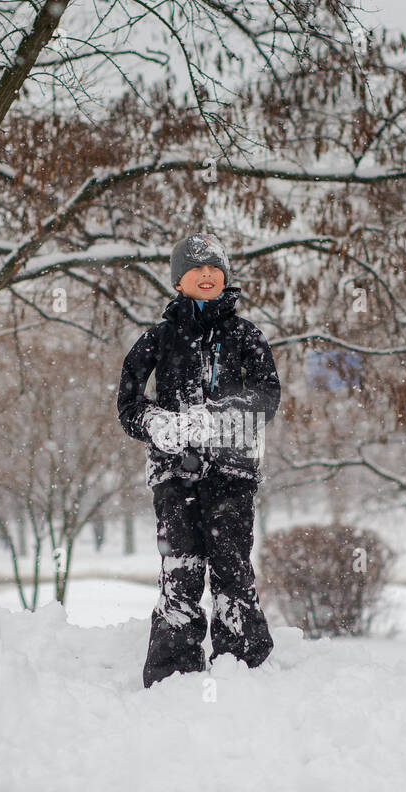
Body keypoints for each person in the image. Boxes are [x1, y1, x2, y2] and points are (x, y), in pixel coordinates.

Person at [117, 235, 281, 688]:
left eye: (215, 268)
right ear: (178, 281)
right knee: (181, 569)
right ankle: (174, 672)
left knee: (232, 566)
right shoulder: (157, 339)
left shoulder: (247, 336)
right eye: (196, 269)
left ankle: (245, 666)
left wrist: (220, 418)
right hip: (174, 474)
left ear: (225, 277)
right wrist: (157, 423)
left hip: (233, 473)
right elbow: (128, 404)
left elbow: (267, 397)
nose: (207, 275)